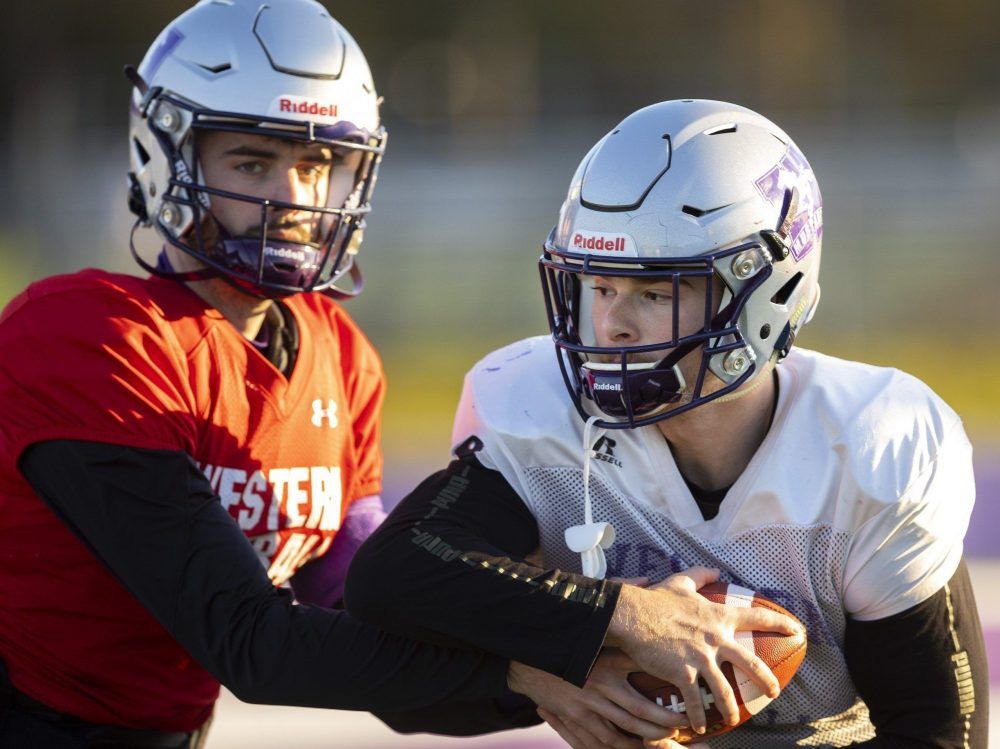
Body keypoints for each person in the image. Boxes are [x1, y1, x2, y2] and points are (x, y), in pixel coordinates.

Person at [0, 5, 797, 746]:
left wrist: (598, 638)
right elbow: (252, 642)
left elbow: (373, 608)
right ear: (163, 149)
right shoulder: (85, 337)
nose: (294, 196)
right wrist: (538, 668)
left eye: (319, 164)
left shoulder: (336, 354)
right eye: (253, 160)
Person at [345, 99, 989, 748]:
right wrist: (613, 626)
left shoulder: (869, 446)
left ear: (765, 297)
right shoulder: (539, 414)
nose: (612, 325)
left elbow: (936, 730)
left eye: (654, 291)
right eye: (599, 286)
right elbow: (394, 577)